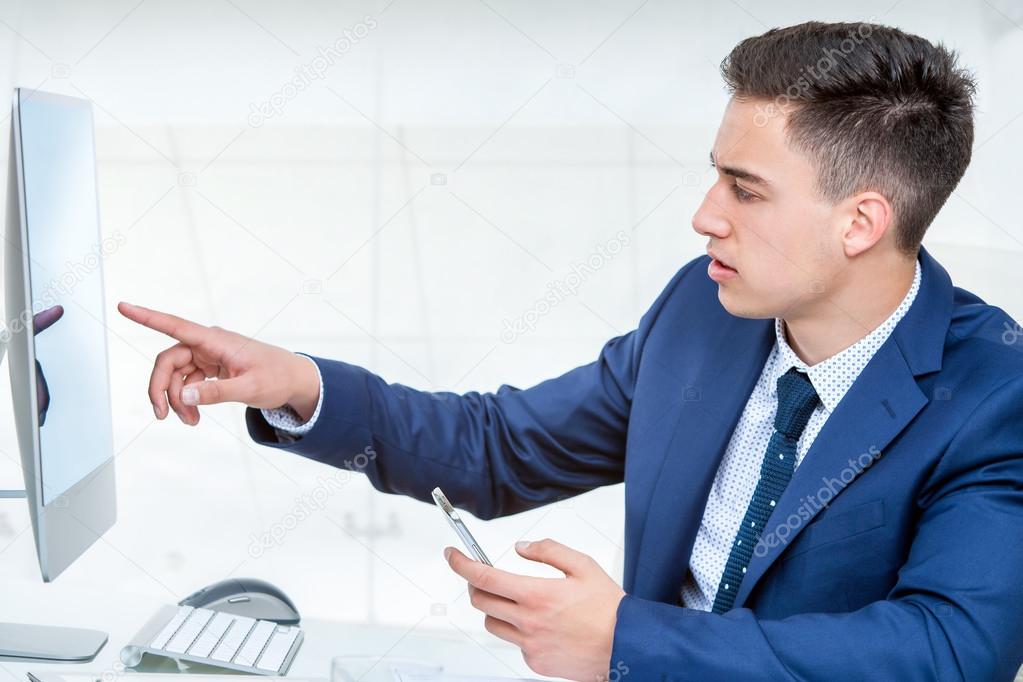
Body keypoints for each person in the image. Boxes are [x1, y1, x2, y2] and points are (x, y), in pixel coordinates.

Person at [120, 21, 1023, 681]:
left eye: (744, 190)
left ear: (860, 221)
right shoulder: (705, 312)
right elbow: (499, 447)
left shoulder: (994, 395)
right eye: (714, 175)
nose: (705, 215)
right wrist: (299, 385)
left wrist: (625, 642)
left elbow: (948, 651)